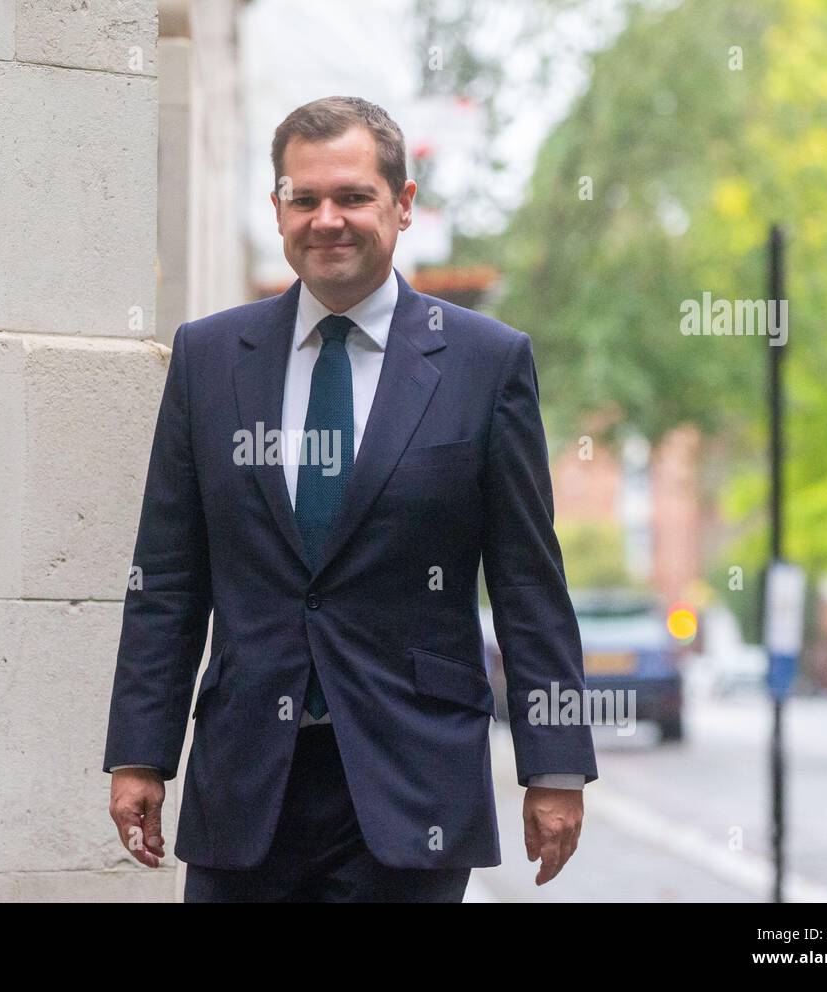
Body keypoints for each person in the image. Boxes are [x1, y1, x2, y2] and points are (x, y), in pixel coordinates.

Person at [104, 95, 596, 902]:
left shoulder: (484, 362)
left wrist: (556, 764)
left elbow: (527, 582)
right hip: (246, 780)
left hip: (411, 784)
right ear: (278, 209)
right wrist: (140, 751)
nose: (326, 219)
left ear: (402, 206)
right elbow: (167, 576)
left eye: (353, 196)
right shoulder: (209, 356)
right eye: (305, 198)